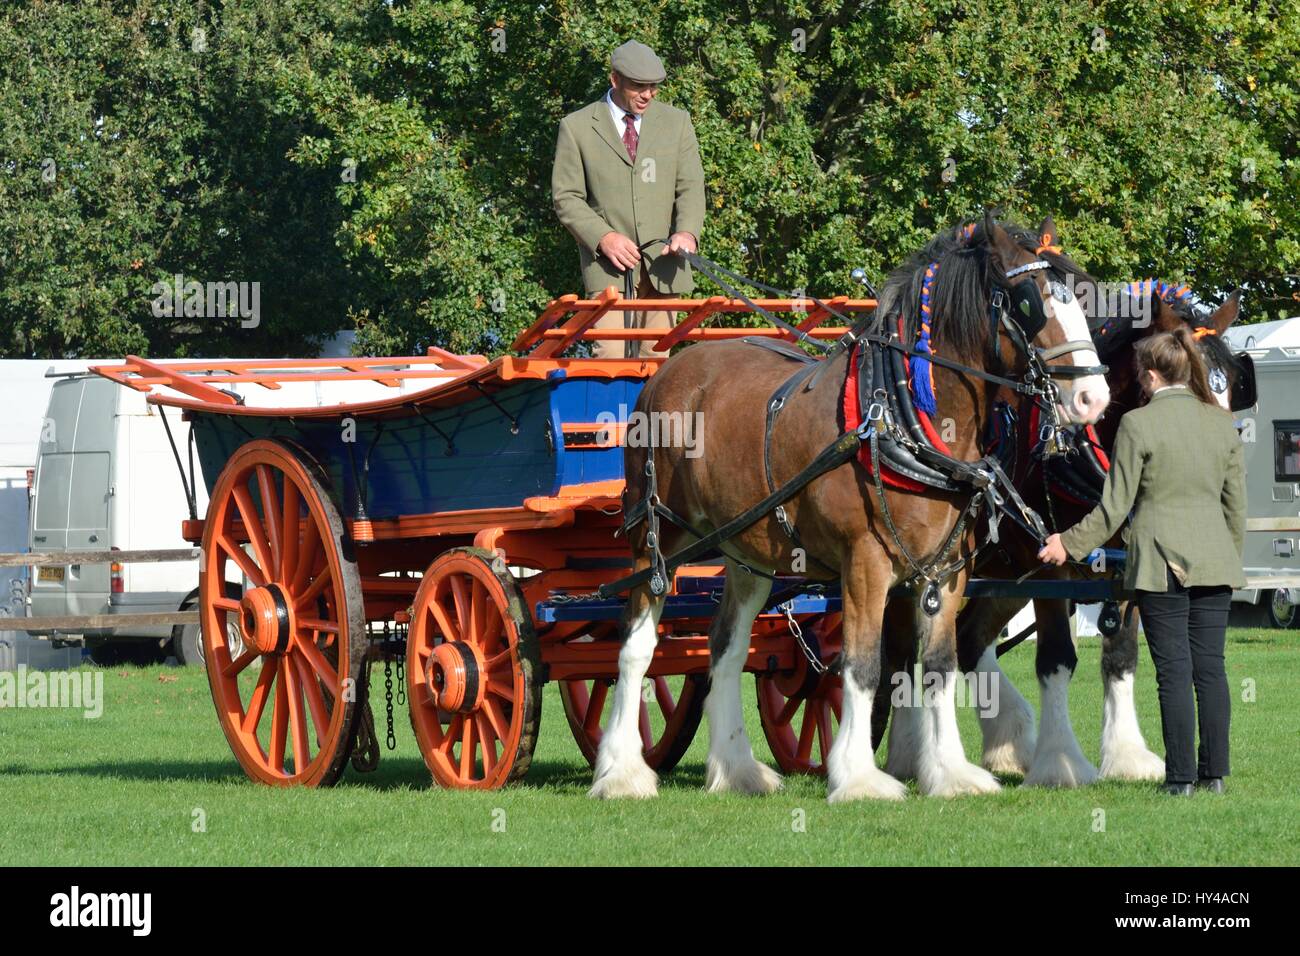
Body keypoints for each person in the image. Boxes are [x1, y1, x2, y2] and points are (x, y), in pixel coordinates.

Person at [1038, 326, 1247, 796]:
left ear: (1150, 377)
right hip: (1215, 562)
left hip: (1158, 563)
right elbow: (1236, 508)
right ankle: (1214, 775)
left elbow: (1112, 510)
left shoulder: (1136, 424)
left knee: (1172, 671)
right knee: (1210, 669)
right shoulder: (1220, 424)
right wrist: (1226, 556)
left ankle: (1180, 780)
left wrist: (1065, 544)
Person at [552, 40, 705, 359]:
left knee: (657, 367)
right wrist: (603, 237)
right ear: (615, 80)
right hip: (608, 269)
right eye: (639, 86)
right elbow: (566, 197)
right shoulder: (576, 127)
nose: (648, 94)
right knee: (608, 361)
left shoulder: (678, 123)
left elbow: (690, 186)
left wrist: (687, 233)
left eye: (653, 86)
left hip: (665, 267)